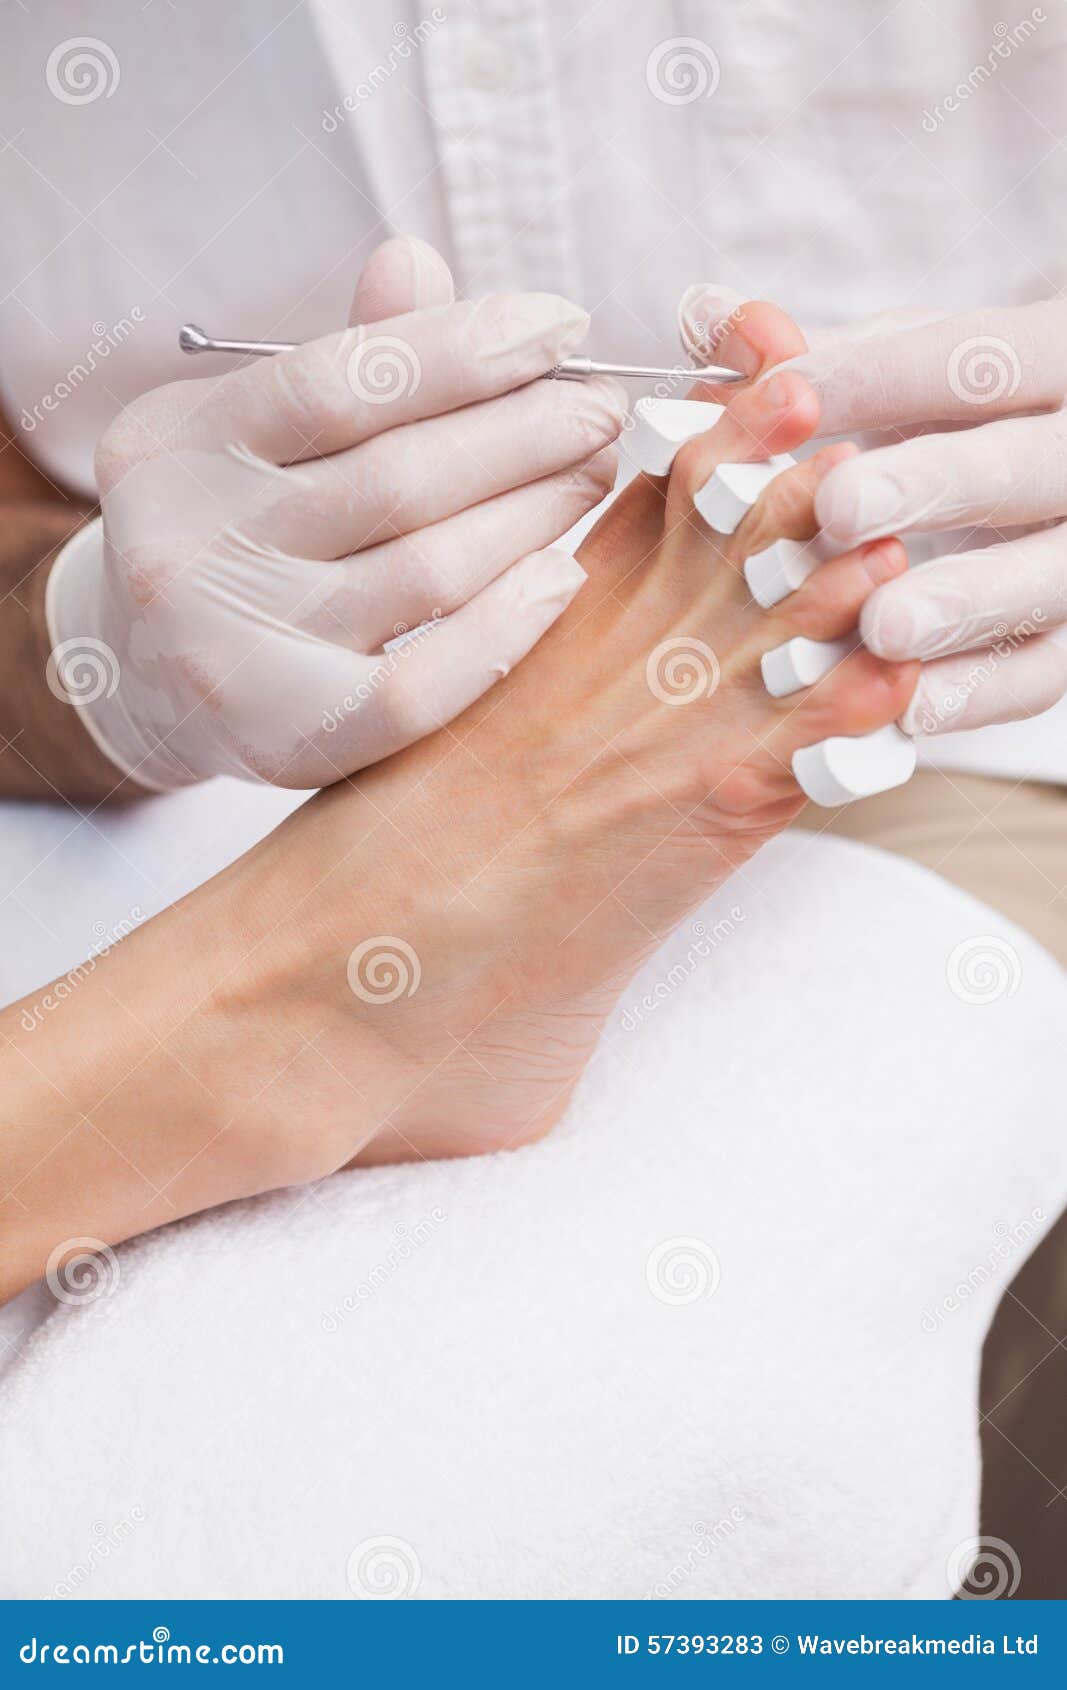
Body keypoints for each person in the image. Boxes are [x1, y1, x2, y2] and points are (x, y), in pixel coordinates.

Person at [0, 0, 1064, 1583]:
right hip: (164, 745)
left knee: (272, 1505)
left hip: (955, 751)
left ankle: (261, 991)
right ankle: (275, 1002)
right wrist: (78, 636)